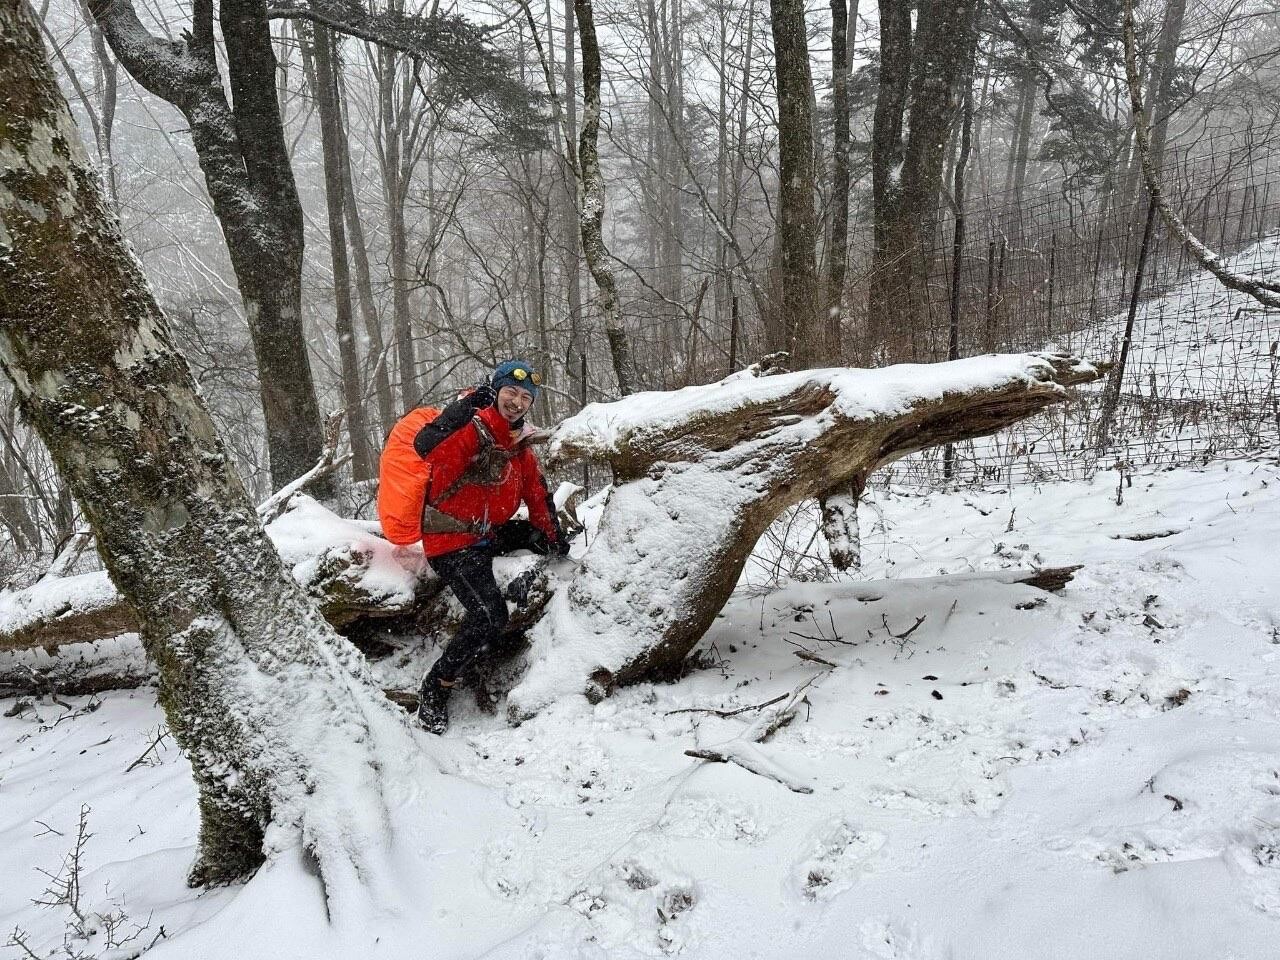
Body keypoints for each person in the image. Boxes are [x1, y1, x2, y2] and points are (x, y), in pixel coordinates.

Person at [414, 359, 567, 733]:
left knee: (539, 539)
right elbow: (425, 445)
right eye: (510, 392)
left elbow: (536, 492)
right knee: (489, 615)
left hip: (485, 535)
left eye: (525, 397)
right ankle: (436, 687)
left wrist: (553, 537)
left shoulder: (518, 445)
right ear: (495, 391)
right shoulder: (471, 429)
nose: (516, 401)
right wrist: (468, 405)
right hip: (451, 541)